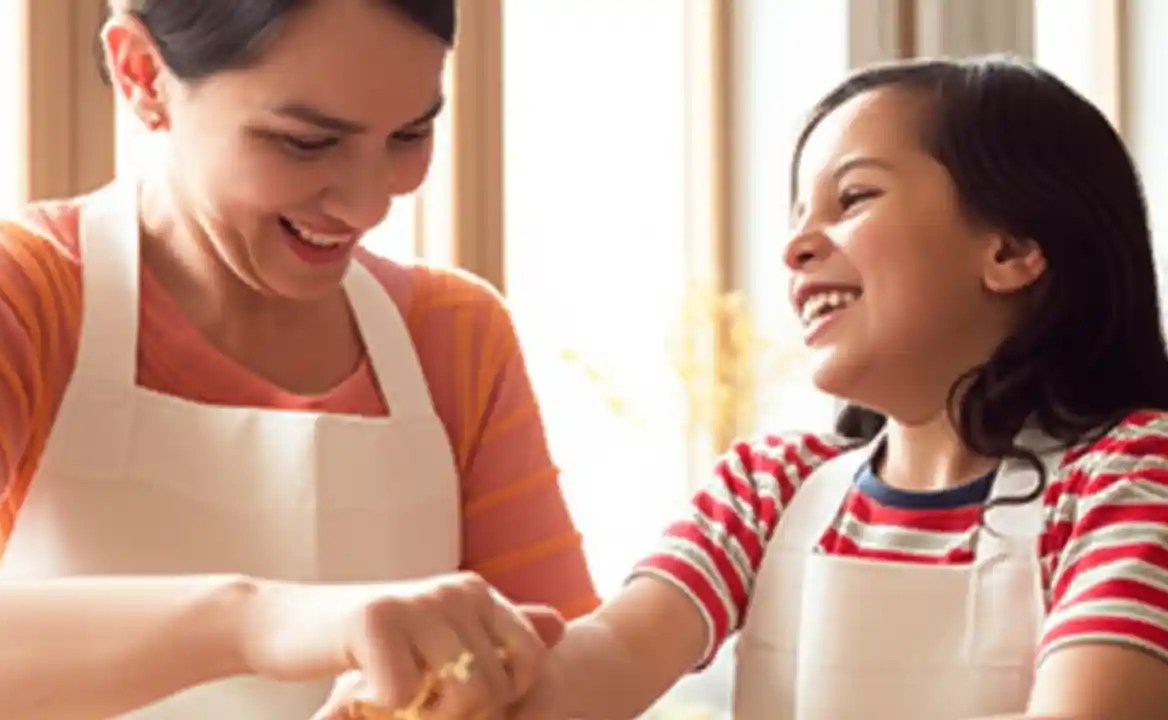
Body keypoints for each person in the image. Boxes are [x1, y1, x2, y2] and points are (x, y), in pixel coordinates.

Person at [320, 56, 1168, 720]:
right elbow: (607, 661)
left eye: (854, 197)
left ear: (1013, 250)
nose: (798, 245)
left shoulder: (1130, 477)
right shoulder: (768, 488)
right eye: (798, 214)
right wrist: (455, 691)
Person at [0, 0, 599, 717]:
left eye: (410, 135)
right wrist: (257, 623)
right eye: (305, 142)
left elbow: (568, 684)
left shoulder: (456, 337)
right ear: (143, 76)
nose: (367, 204)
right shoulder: (14, 297)